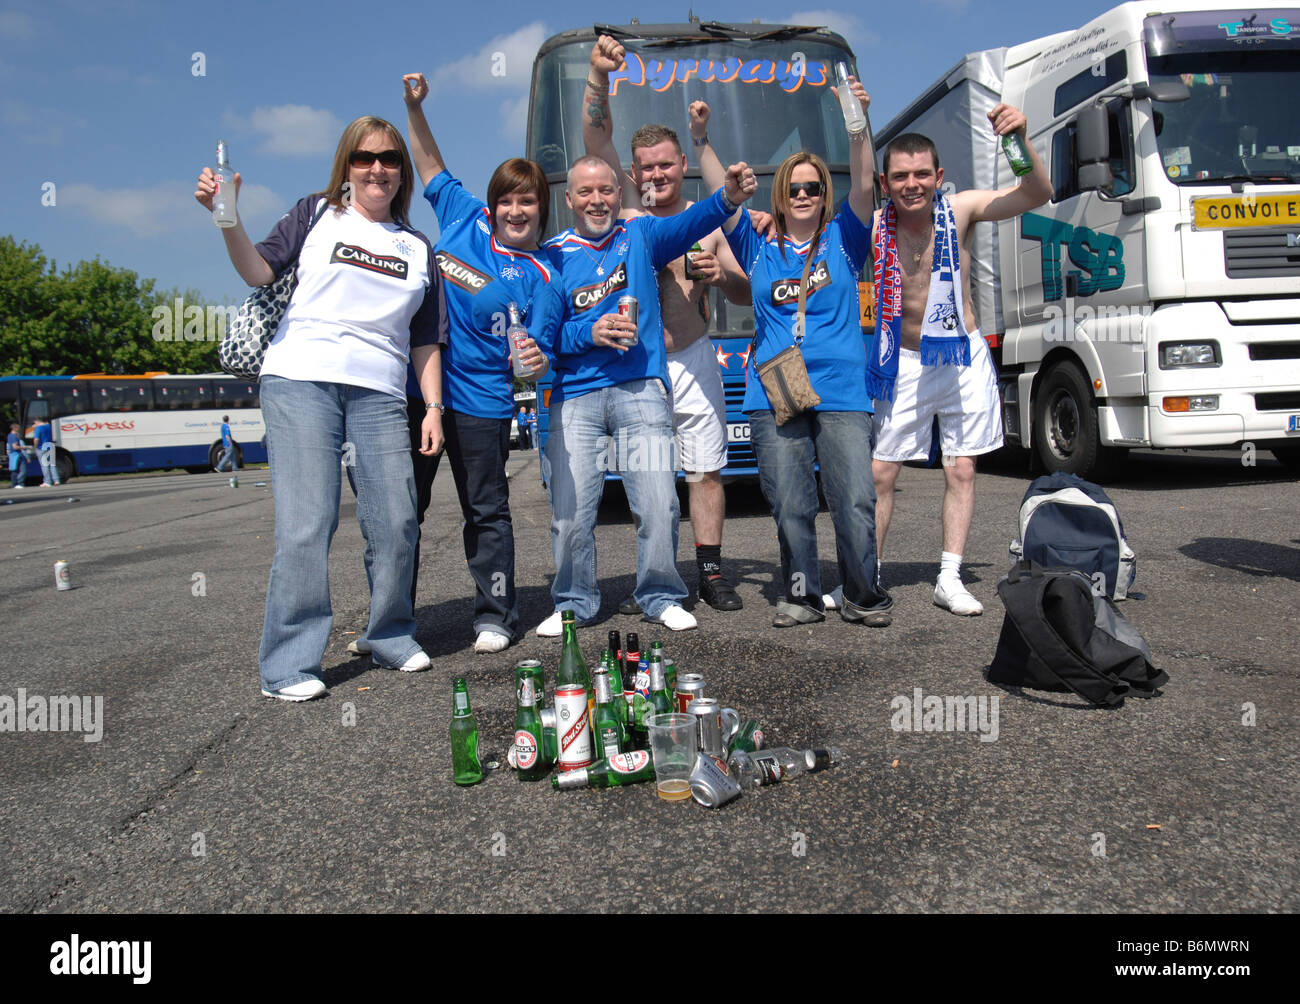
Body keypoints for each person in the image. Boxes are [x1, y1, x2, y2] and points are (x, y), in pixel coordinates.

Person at [195, 114, 446, 702]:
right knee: (309, 524)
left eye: (389, 158)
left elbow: (425, 340)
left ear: (401, 171)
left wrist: (432, 406)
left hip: (381, 394)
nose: (377, 168)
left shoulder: (416, 247)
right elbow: (258, 270)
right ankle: (288, 664)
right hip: (301, 380)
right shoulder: (316, 214)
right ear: (348, 166)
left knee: (398, 520)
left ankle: (388, 634)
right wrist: (224, 218)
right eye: (365, 158)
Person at [535, 155, 757, 636]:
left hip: (641, 388)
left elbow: (691, 222)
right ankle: (573, 601)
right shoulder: (551, 255)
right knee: (570, 510)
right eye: (586, 192)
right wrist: (588, 332)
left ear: (620, 194)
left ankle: (660, 594)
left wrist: (728, 198)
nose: (597, 200)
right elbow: (544, 337)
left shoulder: (640, 235)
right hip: (576, 394)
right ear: (569, 199)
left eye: (606, 191)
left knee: (658, 500)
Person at [714, 75, 892, 628]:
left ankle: (862, 595)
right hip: (775, 386)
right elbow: (724, 198)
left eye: (813, 187)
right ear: (780, 195)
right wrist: (701, 136)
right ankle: (801, 596)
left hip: (840, 388)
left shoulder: (845, 236)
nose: (802, 196)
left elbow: (865, 182)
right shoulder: (758, 246)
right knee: (790, 504)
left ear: (823, 195)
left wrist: (856, 123)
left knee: (855, 501)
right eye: (793, 188)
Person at [583, 35, 751, 613]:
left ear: (682, 165)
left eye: (665, 165)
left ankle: (711, 574)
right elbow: (594, 135)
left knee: (706, 472)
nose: (656, 175)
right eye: (645, 167)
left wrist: (716, 275)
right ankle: (656, 579)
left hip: (698, 356)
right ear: (633, 172)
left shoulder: (706, 220)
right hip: (644, 367)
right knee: (650, 484)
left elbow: (744, 289)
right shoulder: (628, 211)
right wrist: (598, 77)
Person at [866, 114, 1052, 616]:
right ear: (885, 182)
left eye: (922, 174)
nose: (912, 184)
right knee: (882, 472)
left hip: (960, 352)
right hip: (902, 359)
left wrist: (1016, 138)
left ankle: (949, 577)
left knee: (962, 467)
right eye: (901, 176)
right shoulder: (873, 223)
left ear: (938, 174)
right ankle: (869, 576)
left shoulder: (961, 209)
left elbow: (1037, 191)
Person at [403, 73, 558, 654]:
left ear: (541, 208)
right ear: (491, 205)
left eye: (528, 200)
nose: (515, 210)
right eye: (507, 199)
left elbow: (534, 364)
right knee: (401, 515)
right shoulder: (464, 219)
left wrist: (532, 360)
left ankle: (495, 614)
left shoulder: (545, 276)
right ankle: (391, 620)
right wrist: (414, 108)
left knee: (486, 514)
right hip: (417, 393)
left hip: (481, 406)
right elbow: (428, 163)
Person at [32, 417, 58, 486]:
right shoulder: (49, 426)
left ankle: (47, 481)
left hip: (41, 447)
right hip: (50, 446)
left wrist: (35, 447)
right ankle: (56, 480)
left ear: (36, 422)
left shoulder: (38, 428)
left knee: (44, 466)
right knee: (52, 464)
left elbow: (36, 439)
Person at [6, 423, 25, 490]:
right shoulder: (14, 436)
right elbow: (15, 447)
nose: (19, 429)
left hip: (13, 454)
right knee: (21, 470)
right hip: (17, 454)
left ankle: (14, 484)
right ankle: (18, 483)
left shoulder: (9, 435)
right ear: (15, 428)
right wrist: (24, 447)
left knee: (14, 469)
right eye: (18, 428)